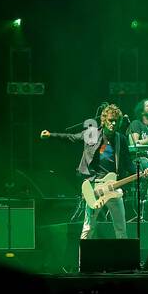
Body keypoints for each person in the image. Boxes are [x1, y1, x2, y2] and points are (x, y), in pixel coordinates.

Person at [41, 103, 131, 240]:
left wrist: (143, 172)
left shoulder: (121, 139)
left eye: (115, 121)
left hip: (113, 187)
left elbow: (129, 164)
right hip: (95, 186)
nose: (113, 124)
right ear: (104, 120)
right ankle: (83, 261)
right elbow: (71, 137)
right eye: (110, 120)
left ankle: (125, 260)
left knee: (121, 228)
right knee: (88, 228)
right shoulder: (92, 135)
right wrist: (51, 135)